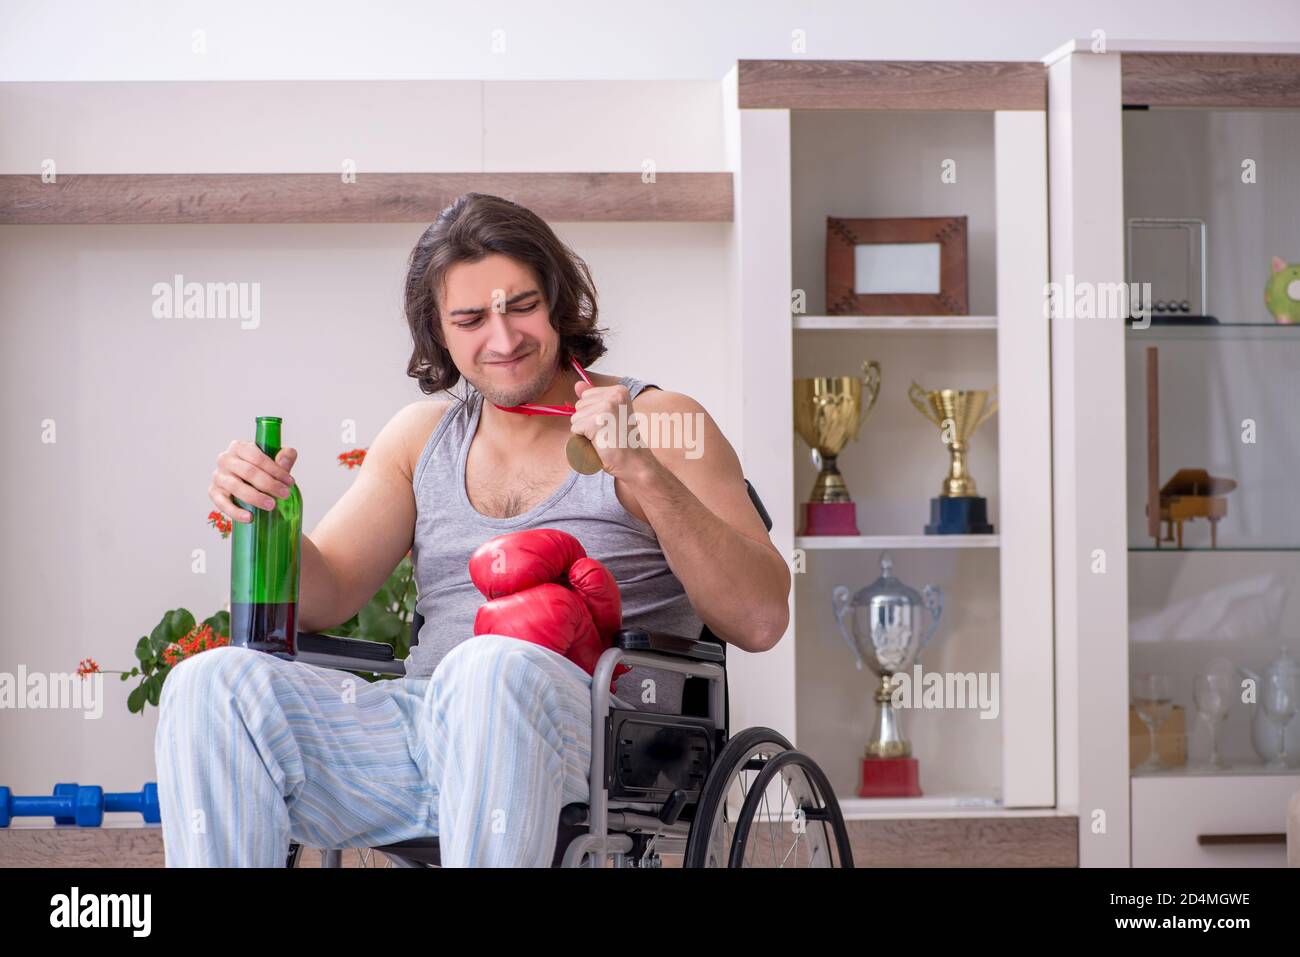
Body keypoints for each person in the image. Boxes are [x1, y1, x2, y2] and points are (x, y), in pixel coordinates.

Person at [155, 192, 791, 867]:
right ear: (440, 331)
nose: (504, 338)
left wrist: (645, 473)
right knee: (210, 684)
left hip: (605, 738)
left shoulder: (662, 421)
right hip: (419, 734)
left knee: (489, 667)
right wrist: (265, 509)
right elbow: (325, 593)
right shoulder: (419, 438)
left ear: (557, 298)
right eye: (470, 318)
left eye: (521, 305)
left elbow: (758, 619)